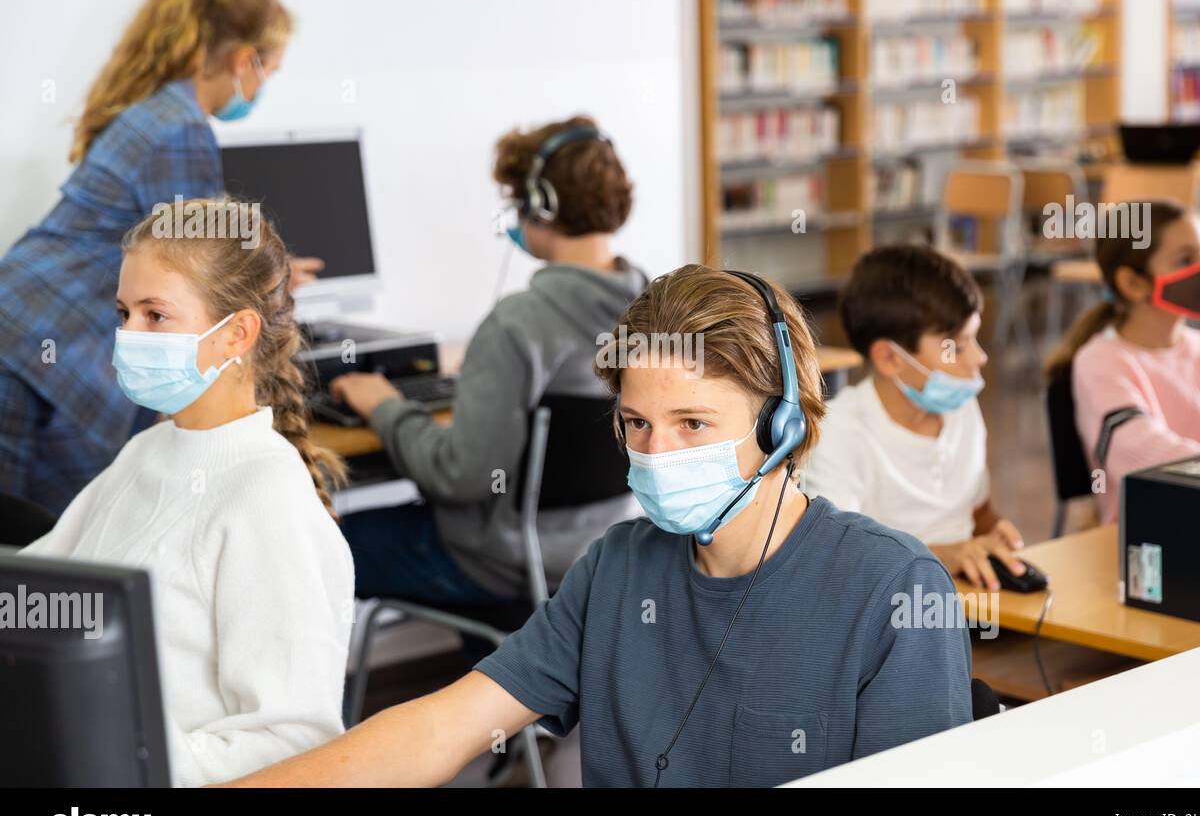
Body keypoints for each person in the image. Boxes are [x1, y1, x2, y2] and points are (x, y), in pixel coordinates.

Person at [225, 265, 972, 788]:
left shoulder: (891, 592)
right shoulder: (618, 568)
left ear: (781, 422)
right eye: (637, 423)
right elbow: (442, 728)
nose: (657, 453)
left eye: (693, 423)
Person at [22, 199, 353, 787]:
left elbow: (295, 741)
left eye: (155, 316)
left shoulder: (265, 497)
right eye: (124, 313)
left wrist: (128, 754)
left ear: (237, 334)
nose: (128, 336)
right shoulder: (150, 451)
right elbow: (37, 586)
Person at [0, 0, 319, 514]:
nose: (264, 84)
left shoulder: (155, 110)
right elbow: (201, 274)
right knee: (57, 560)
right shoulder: (182, 130)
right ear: (245, 60)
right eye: (270, 69)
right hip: (44, 356)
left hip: (23, 331)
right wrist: (273, 277)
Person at [329, 116, 645, 604]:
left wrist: (385, 406)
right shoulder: (660, 312)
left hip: (504, 565)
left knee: (322, 541)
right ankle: (506, 667)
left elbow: (460, 476)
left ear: (540, 206)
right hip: (608, 557)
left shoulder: (517, 326)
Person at [802, 245, 1026, 590]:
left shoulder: (963, 410)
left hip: (967, 599)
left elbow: (977, 512)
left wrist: (995, 534)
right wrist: (945, 556)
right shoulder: (840, 433)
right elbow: (839, 556)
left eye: (975, 338)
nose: (980, 357)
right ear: (890, 358)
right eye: (958, 346)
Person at [1045, 200, 1200, 524]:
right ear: (1132, 283)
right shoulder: (1100, 361)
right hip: (1146, 539)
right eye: (1186, 259)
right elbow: (1139, 454)